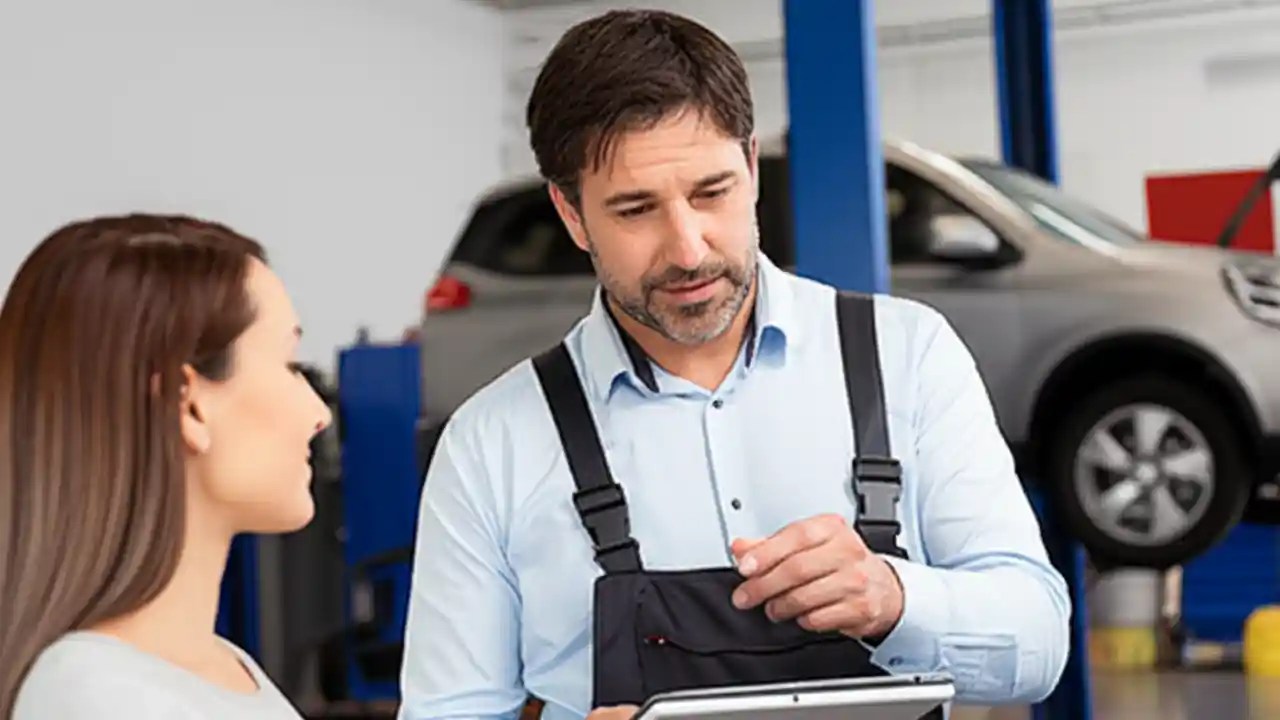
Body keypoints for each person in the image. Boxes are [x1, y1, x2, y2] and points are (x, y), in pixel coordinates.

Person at [399, 9, 1070, 720]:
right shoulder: (491, 445)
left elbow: (1039, 640)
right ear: (570, 214)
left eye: (711, 193)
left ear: (750, 166)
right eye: (635, 210)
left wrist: (895, 599)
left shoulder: (907, 357)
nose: (687, 248)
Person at [0, 214, 333, 719]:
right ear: (187, 403)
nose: (319, 414)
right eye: (290, 366)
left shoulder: (226, 671)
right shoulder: (97, 697)